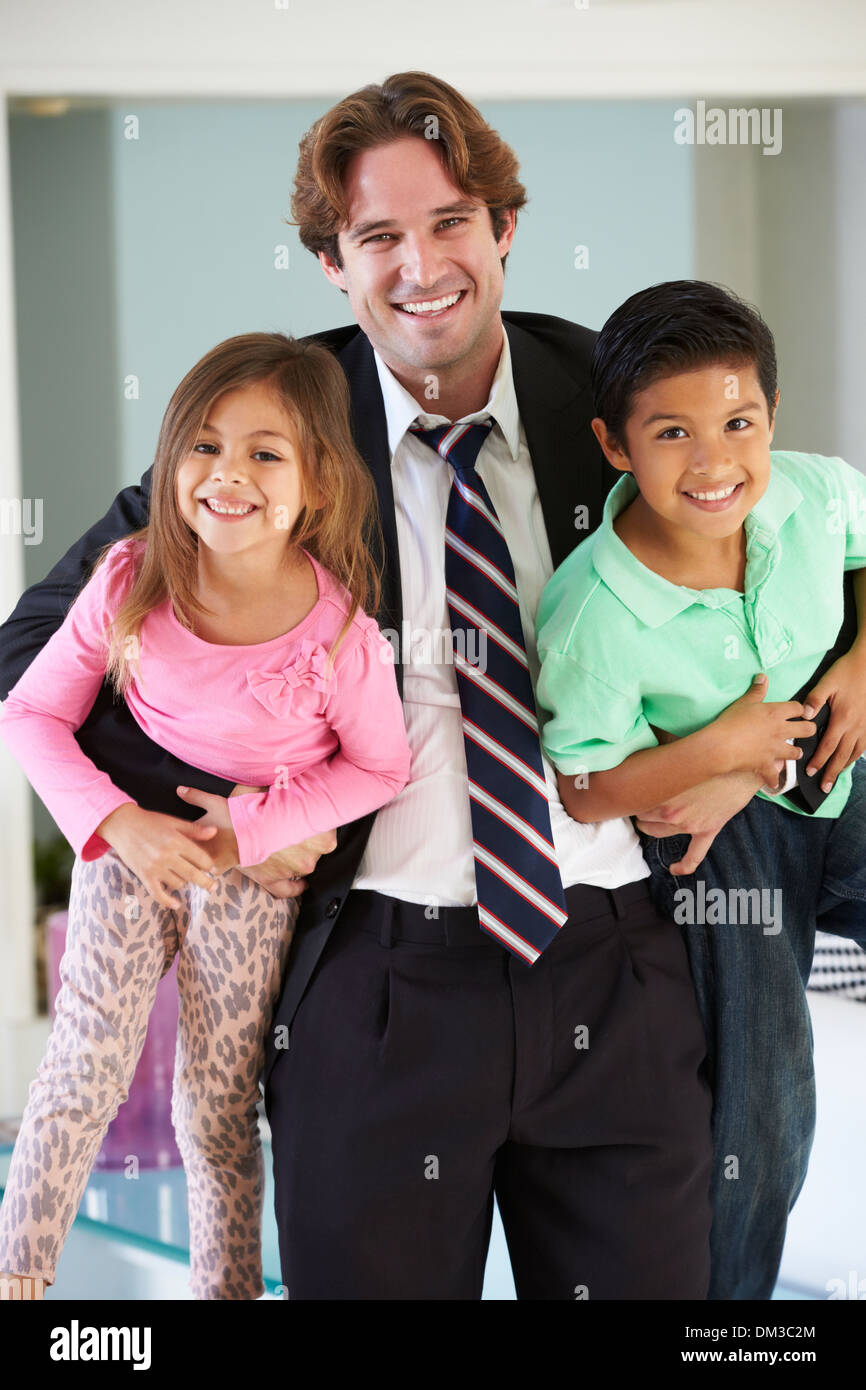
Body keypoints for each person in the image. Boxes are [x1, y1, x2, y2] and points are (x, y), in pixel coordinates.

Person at [0, 72, 854, 1301]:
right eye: (378, 237)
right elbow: (41, 651)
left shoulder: (608, 398)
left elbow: (791, 554)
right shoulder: (272, 423)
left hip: (615, 968)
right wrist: (248, 808)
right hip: (374, 988)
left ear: (504, 226)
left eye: (450, 221)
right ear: (332, 263)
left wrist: (790, 716)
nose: (421, 265)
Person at [0, 331, 412, 1299]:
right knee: (80, 1074)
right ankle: (21, 1279)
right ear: (170, 456)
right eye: (204, 445)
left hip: (249, 887)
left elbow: (379, 764)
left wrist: (255, 829)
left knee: (215, 1110)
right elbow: (29, 709)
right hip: (129, 859)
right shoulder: (127, 579)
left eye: (265, 452)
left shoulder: (340, 633)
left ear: (315, 481)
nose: (229, 474)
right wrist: (117, 825)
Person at [536, 278, 866, 1300]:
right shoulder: (589, 612)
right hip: (716, 840)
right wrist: (722, 752)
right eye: (672, 432)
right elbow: (589, 790)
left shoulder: (810, 490)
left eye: (738, 423)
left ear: (771, 416)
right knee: (761, 1108)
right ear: (614, 444)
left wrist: (858, 665)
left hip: (833, 760)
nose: (715, 461)